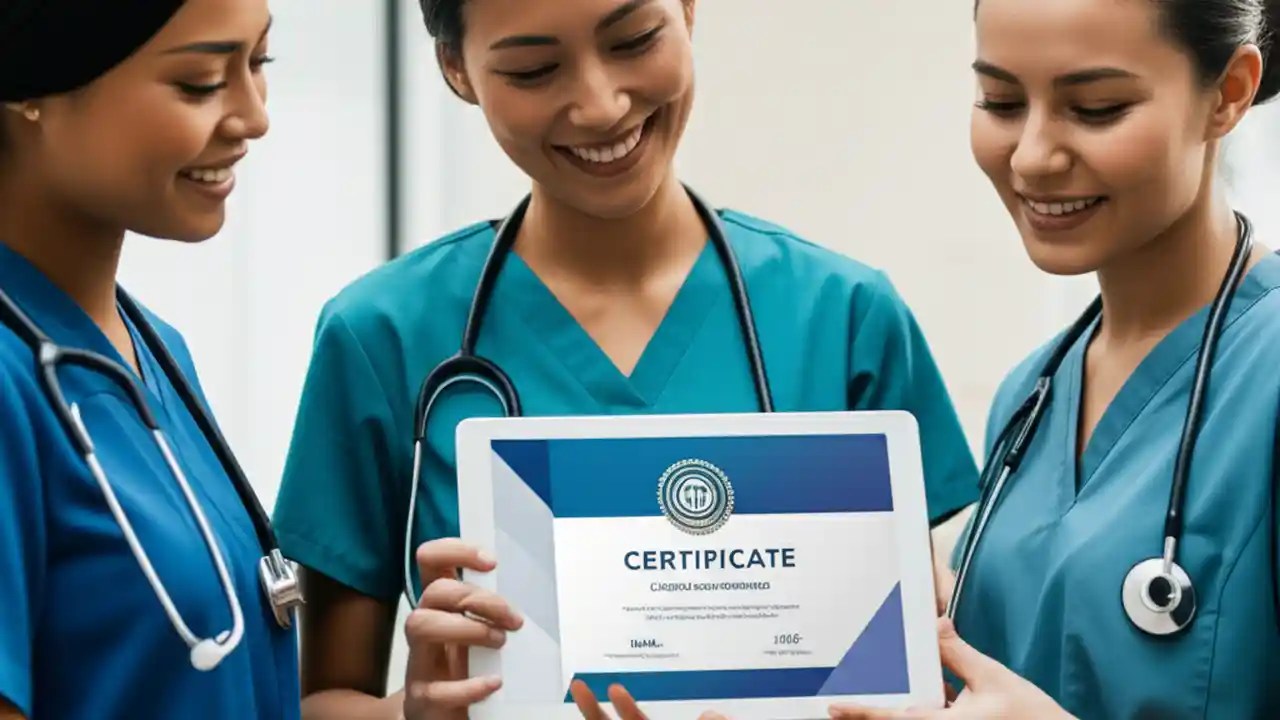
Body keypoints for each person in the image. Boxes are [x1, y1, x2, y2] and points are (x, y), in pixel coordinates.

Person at [269, 0, 981, 717]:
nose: (602, 105)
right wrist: (419, 713)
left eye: (635, 39)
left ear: (691, 11)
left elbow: (921, 676)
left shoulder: (845, 317)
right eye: (534, 69)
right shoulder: (381, 337)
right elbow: (324, 700)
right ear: (456, 69)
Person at [827, 0, 1280, 718]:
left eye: (1096, 108)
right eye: (1000, 101)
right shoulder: (1027, 398)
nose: (1032, 155)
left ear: (1227, 94)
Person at [0, 1, 301, 718]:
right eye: (200, 83)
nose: (254, 117)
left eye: (259, 64)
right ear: (26, 89)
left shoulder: (154, 351)